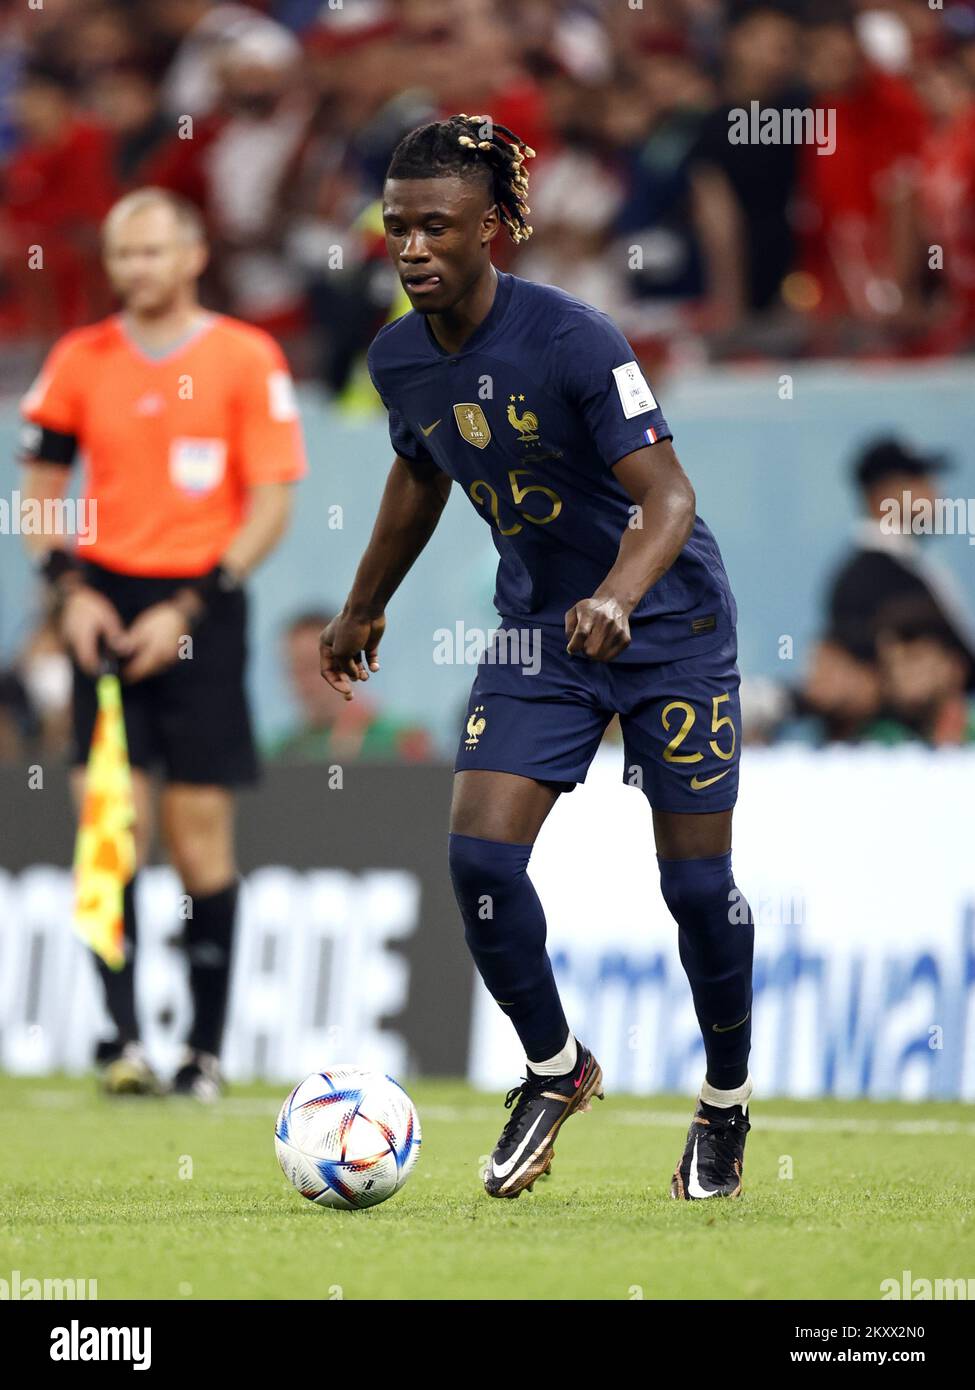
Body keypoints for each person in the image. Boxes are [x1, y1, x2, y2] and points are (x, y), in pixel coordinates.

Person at [319, 115, 755, 1201]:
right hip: (539, 632)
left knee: (697, 889)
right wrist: (363, 603)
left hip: (669, 626)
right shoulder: (397, 355)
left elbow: (670, 497)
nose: (412, 247)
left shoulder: (574, 338)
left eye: (438, 227)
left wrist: (618, 593)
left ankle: (726, 1104)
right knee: (479, 863)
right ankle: (555, 1070)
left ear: (495, 228)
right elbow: (420, 471)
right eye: (397, 227)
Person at [18, 187, 307, 1099]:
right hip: (101, 601)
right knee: (110, 826)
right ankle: (122, 1040)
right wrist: (68, 591)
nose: (136, 269)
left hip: (202, 605)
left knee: (197, 841)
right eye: (121, 254)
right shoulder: (78, 359)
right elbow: (37, 489)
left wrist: (189, 605)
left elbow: (270, 504)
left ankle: (203, 1053)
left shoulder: (243, 357)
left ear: (191, 257)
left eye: (152, 251)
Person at [269, 611, 433, 762]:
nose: (303, 682)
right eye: (294, 669)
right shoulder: (279, 751)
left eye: (312, 666)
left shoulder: (401, 739)